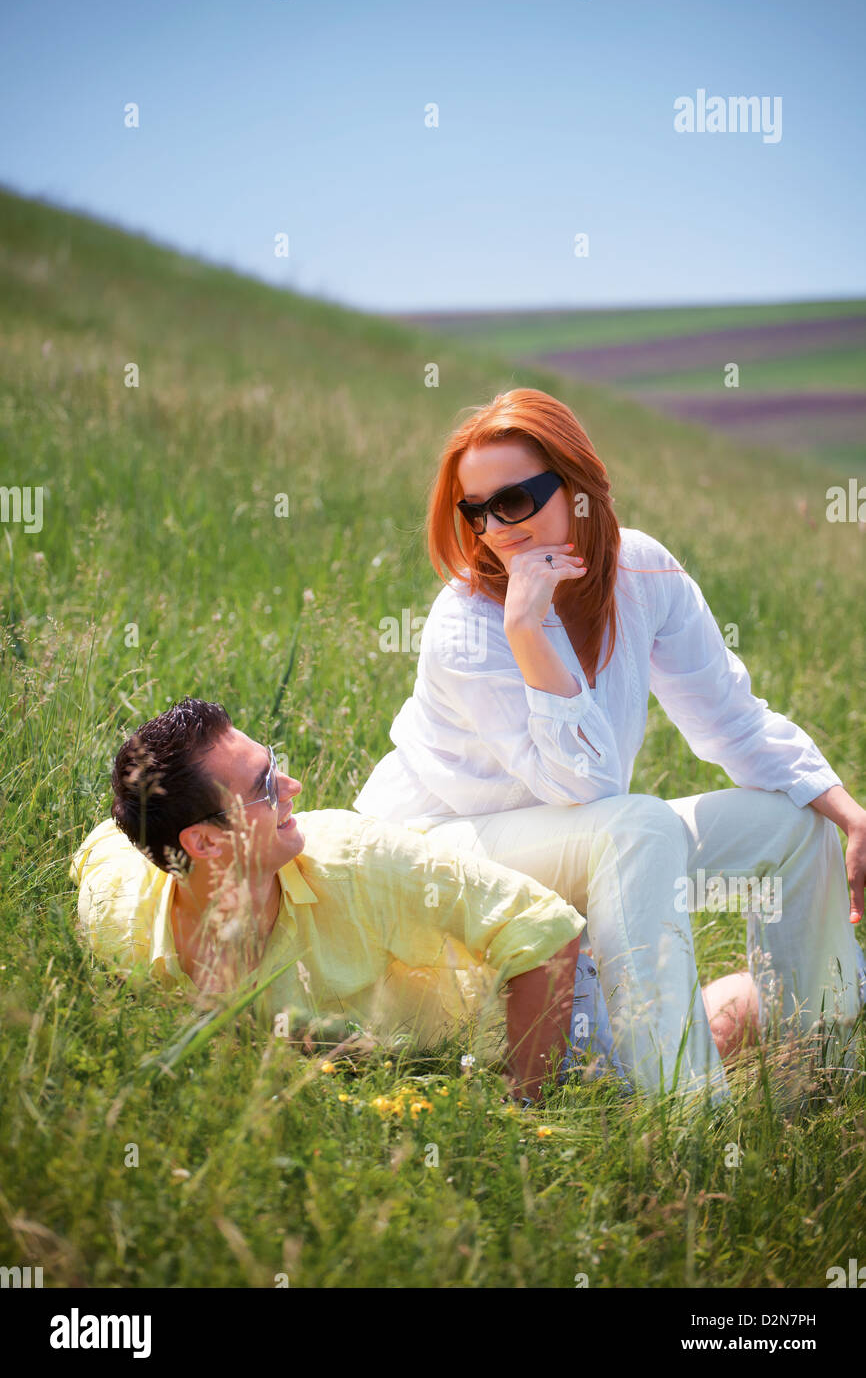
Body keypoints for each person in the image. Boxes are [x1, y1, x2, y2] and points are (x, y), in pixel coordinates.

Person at [353, 387, 866, 1099]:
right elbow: (584, 790)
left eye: (515, 501)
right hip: (449, 847)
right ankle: (690, 1121)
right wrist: (528, 633)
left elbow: (732, 721)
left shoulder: (644, 573)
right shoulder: (468, 622)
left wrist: (848, 811)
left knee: (793, 822)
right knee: (636, 827)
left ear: (580, 486)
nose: (495, 528)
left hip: (592, 843)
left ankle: (821, 1080)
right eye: (476, 510)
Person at [71, 697, 598, 1103]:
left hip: (558, 1019)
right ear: (204, 843)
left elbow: (546, 929)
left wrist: (524, 1114)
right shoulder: (118, 913)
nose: (293, 785)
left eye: (273, 765)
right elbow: (103, 843)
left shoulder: (356, 860)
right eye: (265, 788)